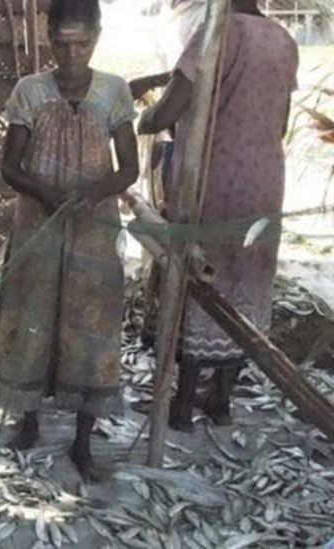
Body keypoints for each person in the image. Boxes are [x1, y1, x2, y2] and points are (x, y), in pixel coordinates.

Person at [138, 0, 298, 431]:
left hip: (214, 177)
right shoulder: (285, 41)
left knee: (202, 277)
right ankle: (221, 400)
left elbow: (168, 110)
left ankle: (183, 403)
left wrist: (143, 119)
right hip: (265, 180)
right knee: (247, 279)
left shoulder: (215, 33)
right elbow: (281, 121)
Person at [0, 0, 139, 481]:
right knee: (31, 318)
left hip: (94, 231)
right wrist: (45, 192)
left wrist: (93, 192)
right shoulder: (30, 91)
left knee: (90, 328)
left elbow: (129, 168)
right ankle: (28, 420)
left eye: (82, 44)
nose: (72, 55)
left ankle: (82, 440)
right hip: (38, 227)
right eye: (62, 44)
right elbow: (9, 167)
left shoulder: (114, 92)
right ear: (50, 38)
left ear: (96, 38)